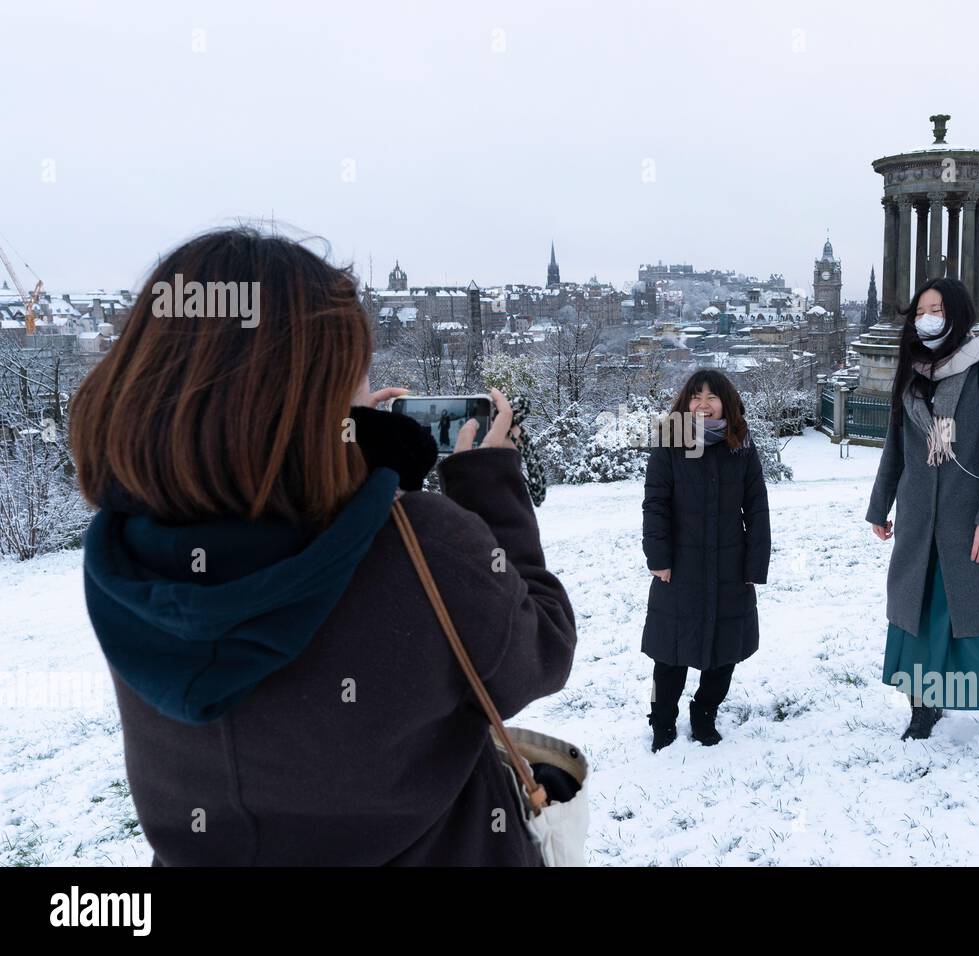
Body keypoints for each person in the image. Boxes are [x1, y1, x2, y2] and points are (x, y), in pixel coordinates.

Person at [70, 227, 577, 865]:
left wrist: (366, 469)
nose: (367, 389)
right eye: (355, 372)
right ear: (319, 394)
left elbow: (266, 507)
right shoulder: (425, 548)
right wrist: (489, 484)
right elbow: (541, 648)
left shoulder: (125, 556)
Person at [865, 277, 979, 742]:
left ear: (958, 315)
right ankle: (924, 705)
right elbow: (896, 448)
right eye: (920, 311)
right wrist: (879, 507)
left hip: (973, 520)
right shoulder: (912, 375)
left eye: (937, 310)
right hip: (918, 522)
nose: (927, 319)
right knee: (919, 617)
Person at [641, 369, 771, 752]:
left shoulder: (740, 444)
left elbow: (757, 507)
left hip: (730, 567)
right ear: (686, 402)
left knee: (724, 651)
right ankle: (662, 720)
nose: (703, 404)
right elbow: (655, 504)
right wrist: (658, 558)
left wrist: (754, 565)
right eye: (696, 396)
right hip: (679, 568)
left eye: (711, 397)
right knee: (669, 654)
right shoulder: (670, 441)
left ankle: (704, 713)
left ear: (725, 403)